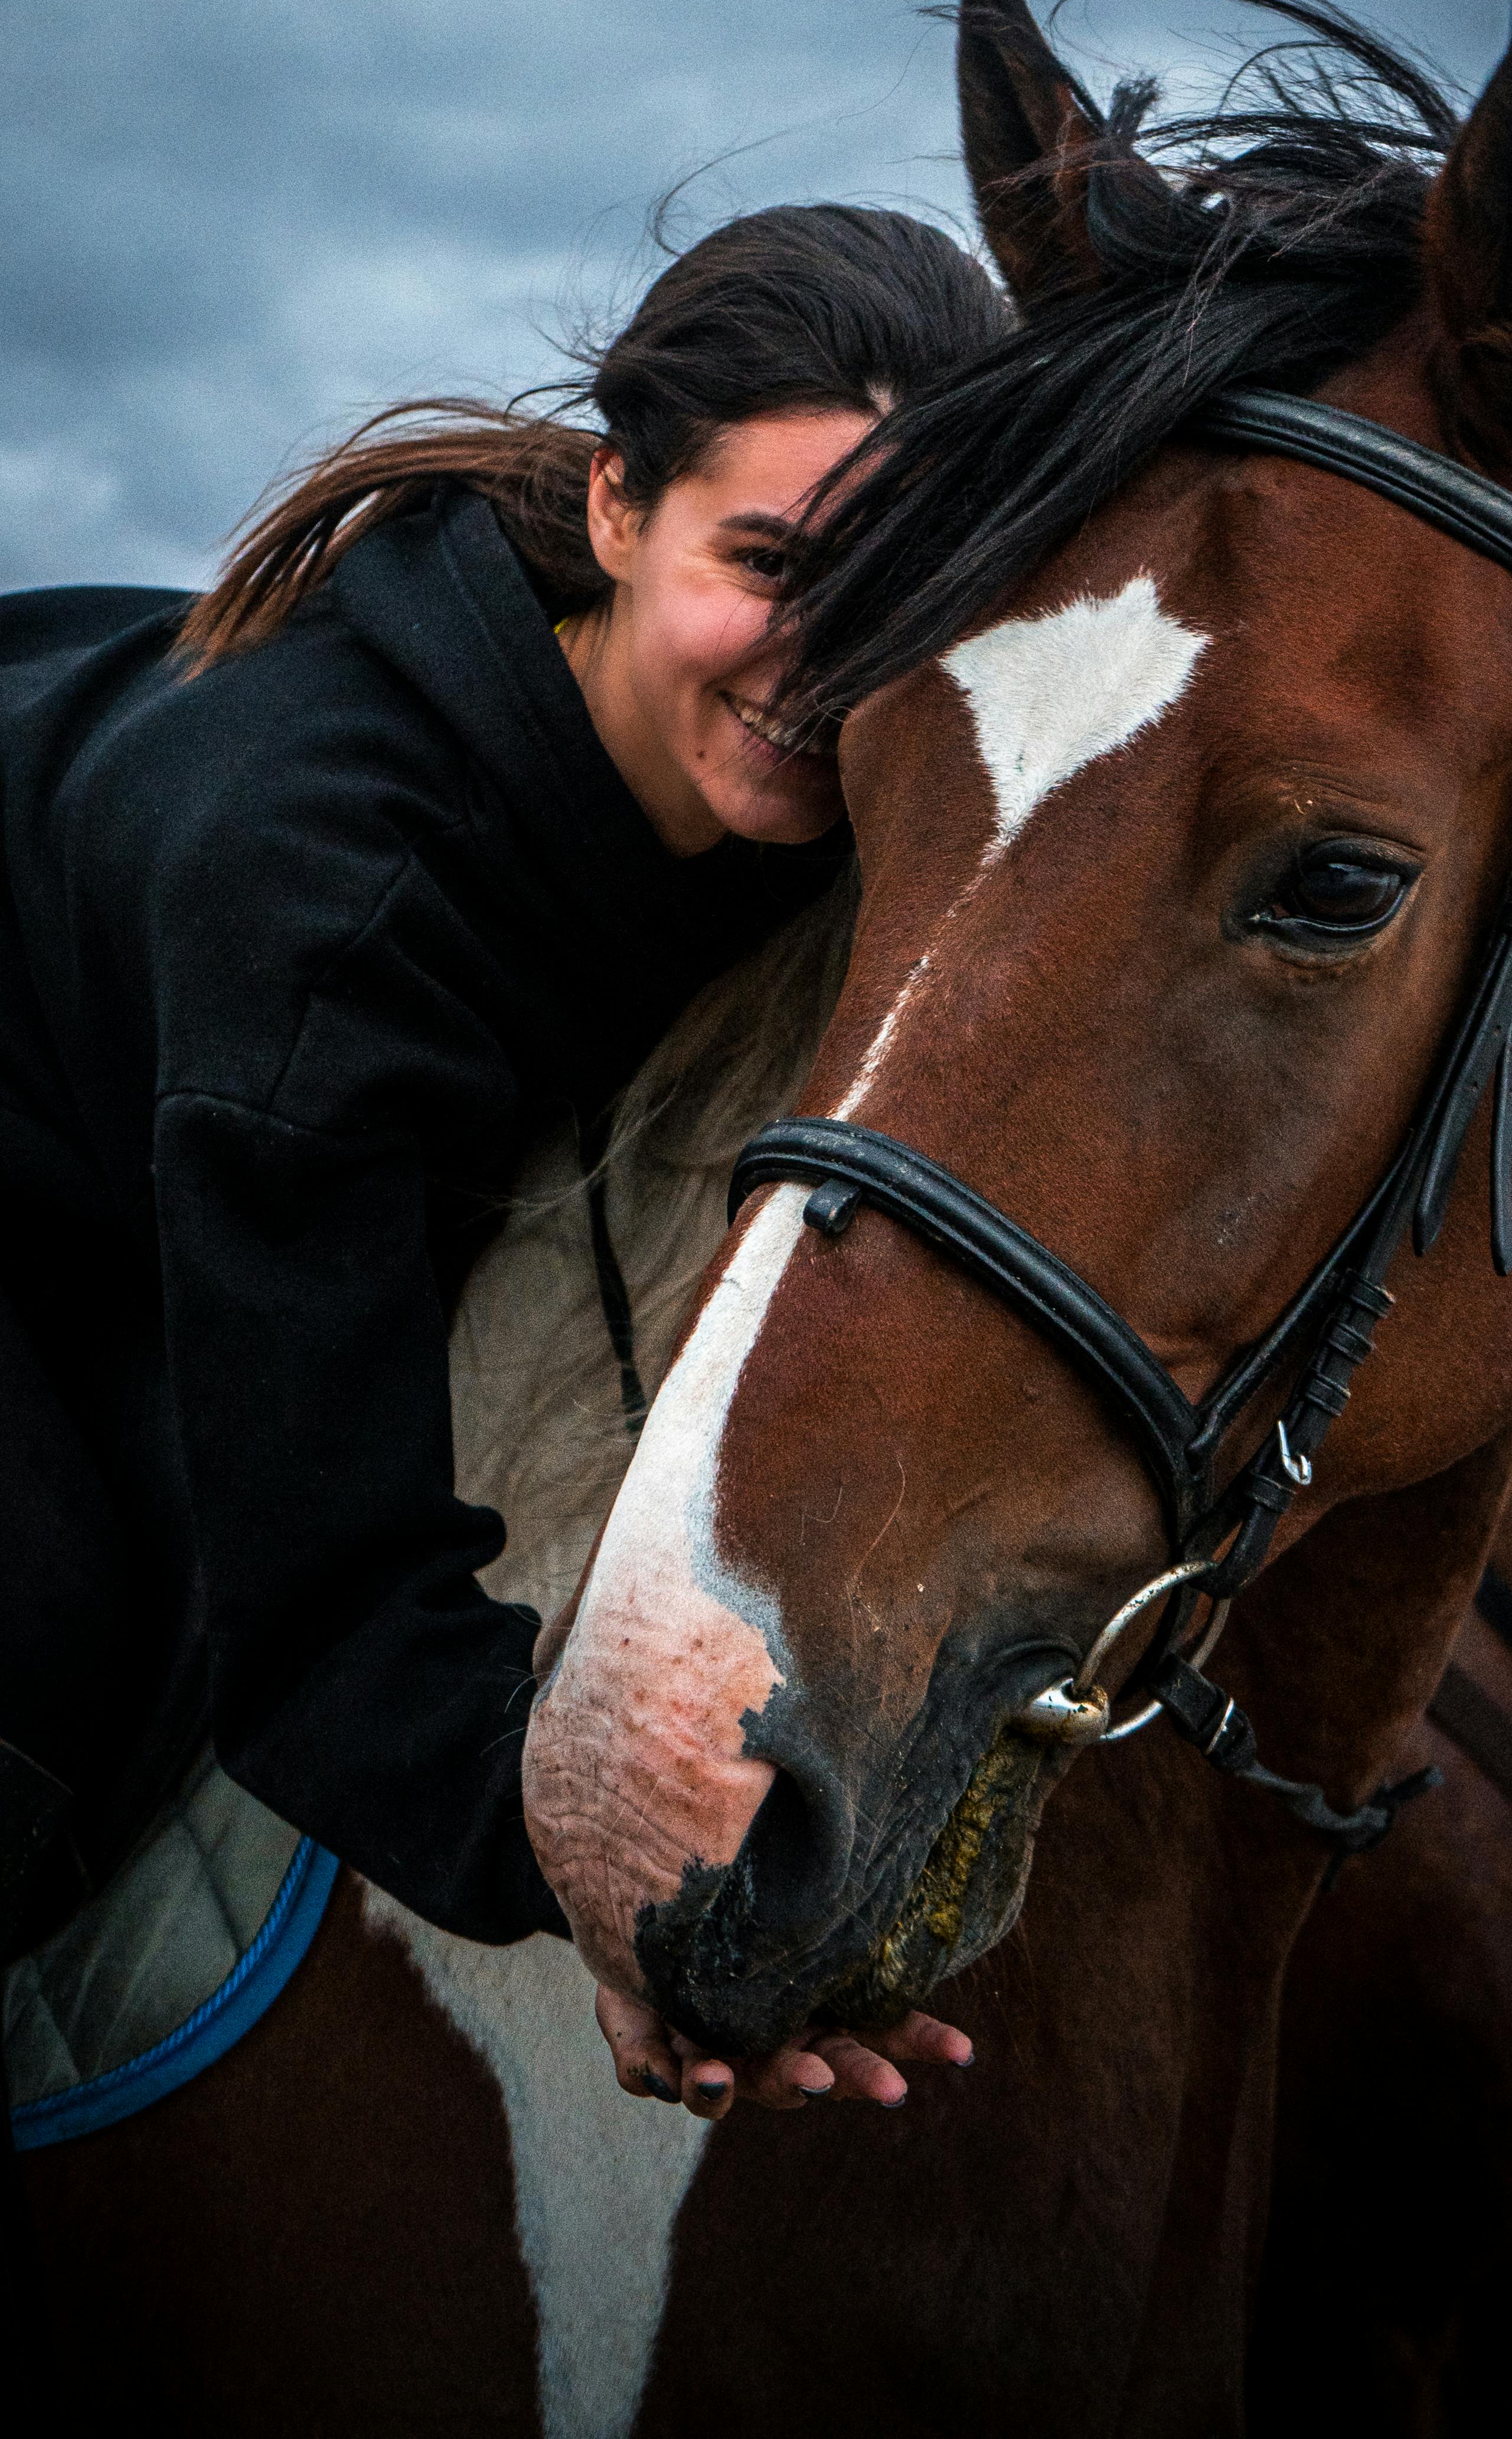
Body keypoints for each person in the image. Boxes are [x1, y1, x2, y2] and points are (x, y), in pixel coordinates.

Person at [0, 203, 1007, 2113]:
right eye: (770, 563)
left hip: (153, 951)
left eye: (905, 595)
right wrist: (615, 1885)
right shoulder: (329, 904)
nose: (829, 663)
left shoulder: (807, 771)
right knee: (57, 1627)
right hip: (57, 1073)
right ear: (620, 506)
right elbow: (325, 1615)